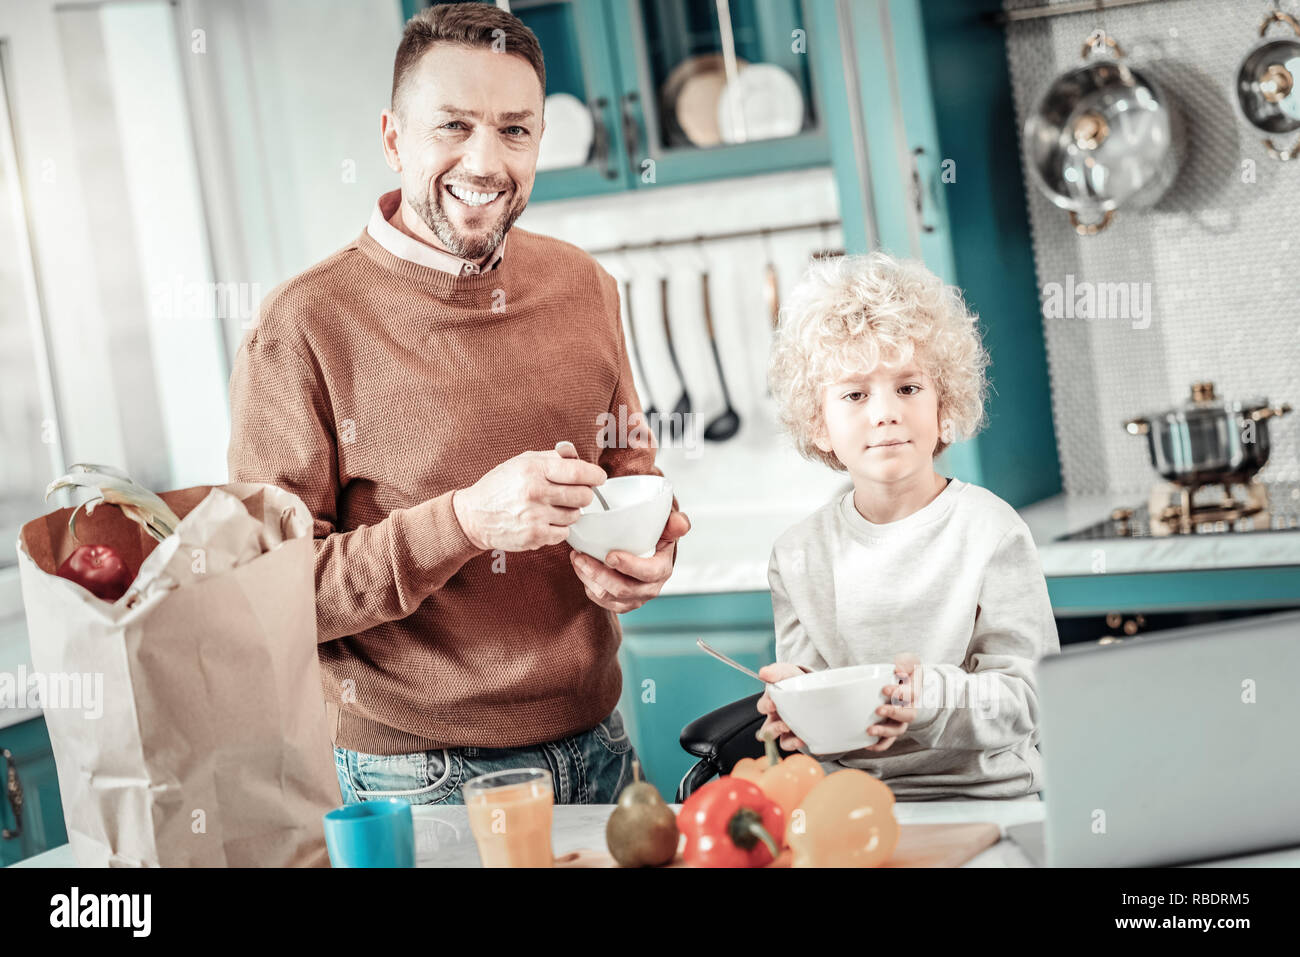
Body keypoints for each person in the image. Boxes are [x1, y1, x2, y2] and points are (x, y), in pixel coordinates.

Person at [227, 3, 689, 806]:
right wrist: (468, 522)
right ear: (392, 136)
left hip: (604, 748)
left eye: (515, 130)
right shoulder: (302, 323)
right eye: (453, 126)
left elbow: (629, 475)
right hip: (420, 778)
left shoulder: (584, 285)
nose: (486, 160)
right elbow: (271, 596)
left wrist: (646, 557)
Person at [755, 251, 1059, 800]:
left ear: (945, 403)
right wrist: (796, 711)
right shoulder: (797, 555)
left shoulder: (990, 530)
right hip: (854, 808)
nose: (885, 412)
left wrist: (927, 700)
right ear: (817, 424)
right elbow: (813, 694)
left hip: (991, 799)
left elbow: (1031, 698)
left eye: (909, 387)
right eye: (854, 394)